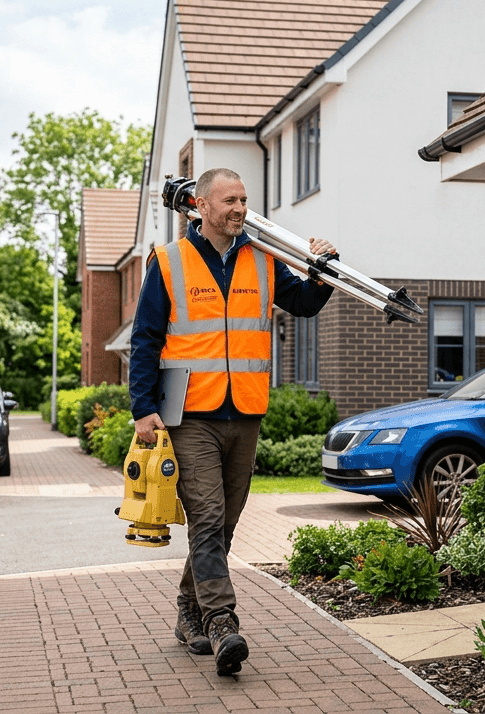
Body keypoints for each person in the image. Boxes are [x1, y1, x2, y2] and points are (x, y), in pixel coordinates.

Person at [129, 167, 335, 677]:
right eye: (229, 201)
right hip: (191, 413)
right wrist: (142, 407)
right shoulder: (169, 261)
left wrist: (323, 269)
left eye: (244, 200)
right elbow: (145, 338)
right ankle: (222, 623)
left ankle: (187, 609)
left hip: (245, 410)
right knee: (206, 516)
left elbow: (304, 305)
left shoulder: (263, 259)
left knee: (223, 522)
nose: (240, 209)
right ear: (200, 206)